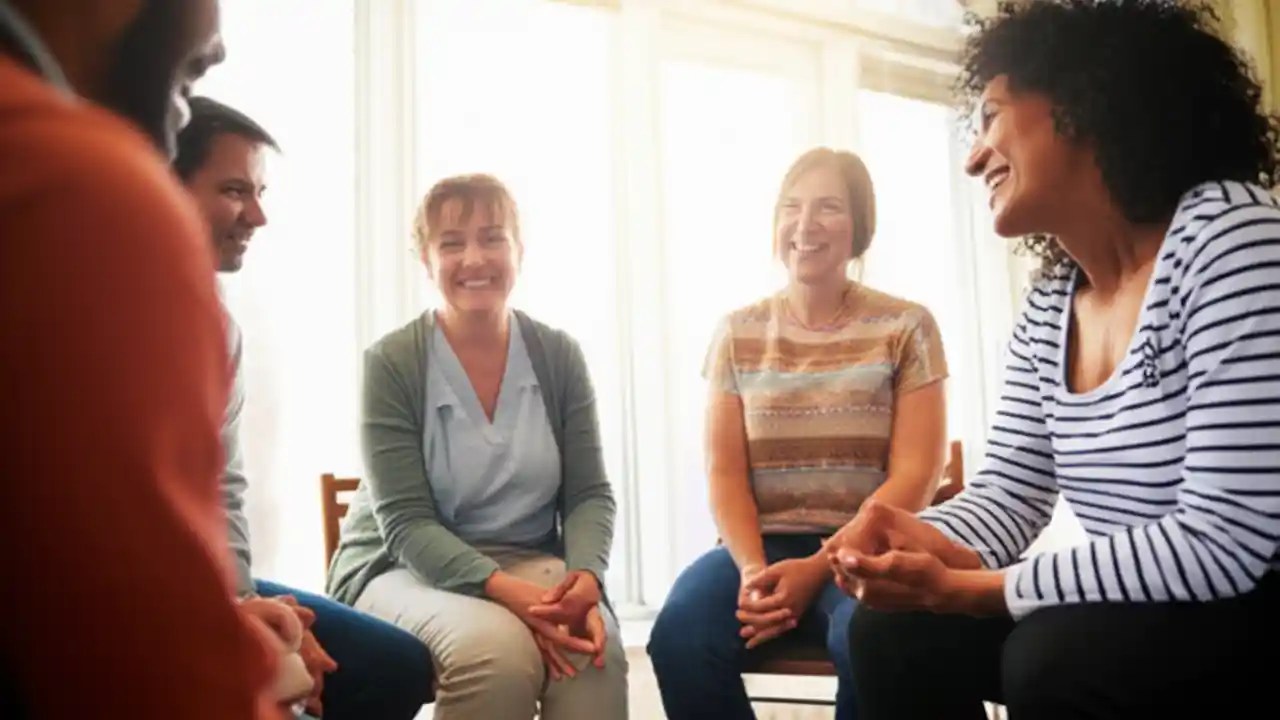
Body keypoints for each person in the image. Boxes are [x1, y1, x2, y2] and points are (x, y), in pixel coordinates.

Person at [827, 2, 1280, 718]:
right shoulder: (1049, 309)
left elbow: (1223, 541)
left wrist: (982, 589)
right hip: (1148, 609)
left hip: (1252, 603)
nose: (974, 157)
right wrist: (921, 538)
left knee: (1052, 660)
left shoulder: (1230, 239)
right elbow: (1010, 492)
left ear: (1078, 101)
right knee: (889, 628)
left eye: (992, 117)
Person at [0, 0, 286, 717]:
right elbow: (162, 681)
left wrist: (235, 611)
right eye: (233, 189)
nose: (219, 35)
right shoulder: (83, 191)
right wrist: (246, 658)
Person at [647, 147, 950, 719]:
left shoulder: (907, 326)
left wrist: (819, 567)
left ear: (860, 226)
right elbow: (725, 474)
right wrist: (753, 570)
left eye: (828, 208)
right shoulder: (736, 332)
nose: (805, 225)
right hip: (761, 546)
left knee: (869, 641)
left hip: (868, 546)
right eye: (792, 207)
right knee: (679, 638)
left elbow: (918, 475)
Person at [326, 173, 628, 719]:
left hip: (531, 560)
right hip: (399, 569)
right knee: (496, 655)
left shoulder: (560, 356)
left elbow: (589, 494)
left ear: (519, 250)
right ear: (424, 258)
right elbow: (405, 525)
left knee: (593, 649)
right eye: (451, 243)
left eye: (492, 237)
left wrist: (585, 577)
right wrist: (515, 598)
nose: (474, 258)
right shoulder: (391, 363)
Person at [175, 95, 435, 720]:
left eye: (260, 191)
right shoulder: (91, 309)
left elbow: (225, 491)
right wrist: (241, 627)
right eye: (235, 190)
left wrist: (247, 608)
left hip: (211, 588)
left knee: (394, 666)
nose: (258, 215)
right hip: (137, 591)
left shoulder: (221, 329)